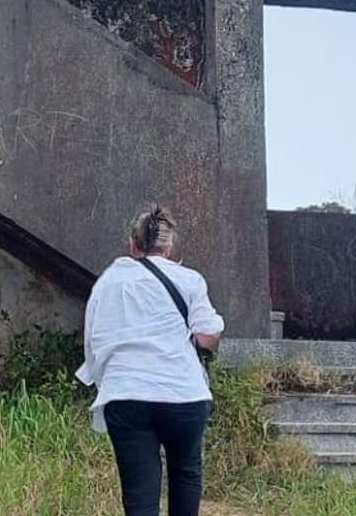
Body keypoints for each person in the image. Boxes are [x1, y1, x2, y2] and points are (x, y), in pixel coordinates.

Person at [75, 205, 224, 516]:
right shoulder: (190, 280)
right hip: (183, 394)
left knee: (139, 493)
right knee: (185, 474)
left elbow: (93, 338)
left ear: (133, 245)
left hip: (127, 395)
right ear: (168, 247)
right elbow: (208, 334)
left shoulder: (108, 282)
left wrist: (104, 380)